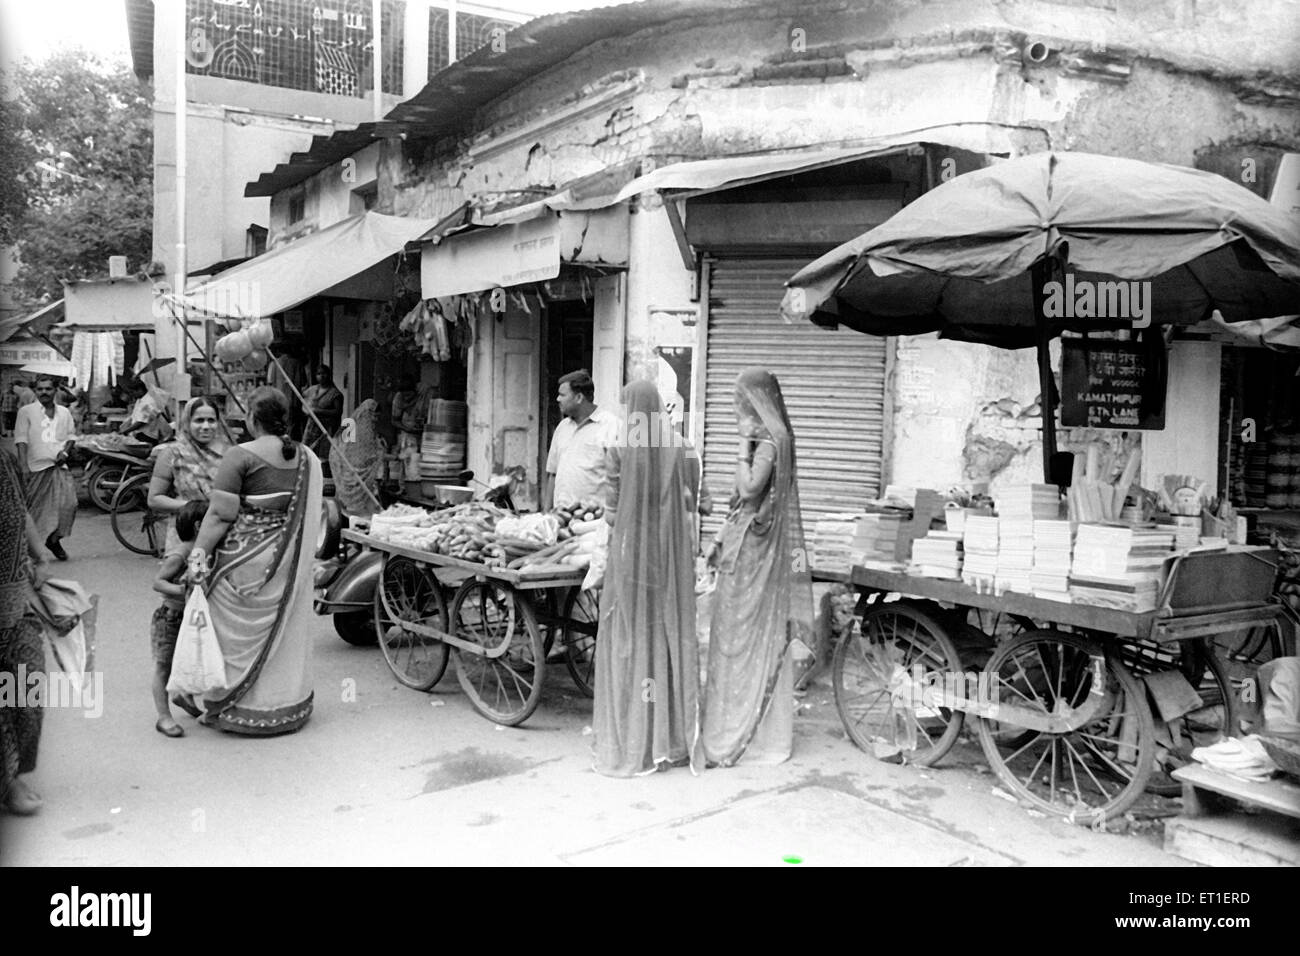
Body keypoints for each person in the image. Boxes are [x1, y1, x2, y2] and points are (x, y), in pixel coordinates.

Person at [184, 386, 320, 736]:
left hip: (244, 560)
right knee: (284, 628)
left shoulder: (239, 455)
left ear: (252, 419)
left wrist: (197, 554)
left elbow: (219, 515)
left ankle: (232, 705)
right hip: (289, 558)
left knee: (219, 620)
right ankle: (281, 706)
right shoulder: (308, 458)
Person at [701, 368, 814, 767]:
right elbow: (739, 503)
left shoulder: (768, 439)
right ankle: (737, 715)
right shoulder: (770, 437)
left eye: (741, 401)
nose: (737, 409)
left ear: (755, 401)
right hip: (742, 542)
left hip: (755, 550)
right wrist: (717, 539)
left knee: (744, 635)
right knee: (736, 633)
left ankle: (744, 725)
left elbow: (749, 489)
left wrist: (741, 445)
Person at [593, 381, 703, 777]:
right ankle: (670, 738)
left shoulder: (621, 448)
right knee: (666, 635)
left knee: (633, 638)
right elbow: (693, 501)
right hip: (671, 559)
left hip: (633, 560)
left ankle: (636, 736)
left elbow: (610, 513)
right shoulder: (681, 446)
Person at [0, 445, 52, 815]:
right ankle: (9, 779)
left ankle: (16, 770)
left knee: (27, 682)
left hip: (14, 592)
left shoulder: (3, 459)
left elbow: (20, 510)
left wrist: (40, 554)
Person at [150, 499, 208, 738]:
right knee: (164, 667)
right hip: (171, 618)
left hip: (190, 617)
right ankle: (163, 717)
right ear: (198, 526)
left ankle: (184, 696)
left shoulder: (200, 552)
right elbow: (158, 582)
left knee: (193, 661)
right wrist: (183, 591)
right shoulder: (181, 554)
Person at [147, 396, 231, 553]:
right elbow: (154, 499)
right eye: (199, 420)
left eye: (211, 420)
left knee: (220, 575)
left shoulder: (230, 454)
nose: (206, 426)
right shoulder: (173, 453)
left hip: (223, 534)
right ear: (187, 422)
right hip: (187, 536)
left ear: (218, 423)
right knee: (195, 572)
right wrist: (194, 508)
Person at [12, 376, 77, 561]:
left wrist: (65, 452)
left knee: (69, 505)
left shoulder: (64, 412)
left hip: (59, 467)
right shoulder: (26, 412)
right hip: (35, 467)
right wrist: (23, 465)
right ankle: (27, 551)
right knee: (36, 510)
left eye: (48, 389)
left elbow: (71, 436)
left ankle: (53, 539)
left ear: (55, 390)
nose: (44, 392)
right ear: (35, 391)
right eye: (40, 389)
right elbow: (21, 440)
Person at [543, 369, 614, 511]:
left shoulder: (611, 426)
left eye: (562, 395)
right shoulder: (562, 428)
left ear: (579, 398)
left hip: (593, 519)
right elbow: (553, 473)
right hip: (561, 516)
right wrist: (546, 511)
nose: (558, 399)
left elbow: (620, 477)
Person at [329, 397, 384, 519]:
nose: (376, 419)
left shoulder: (352, 423)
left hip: (351, 471)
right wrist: (381, 453)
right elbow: (364, 456)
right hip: (352, 471)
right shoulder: (361, 428)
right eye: (374, 416)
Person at [302, 365, 343, 458]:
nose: (321, 376)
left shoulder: (335, 394)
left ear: (329, 375)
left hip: (326, 428)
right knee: (307, 453)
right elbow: (304, 401)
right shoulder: (312, 390)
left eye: (324, 373)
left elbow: (338, 412)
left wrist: (319, 411)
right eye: (318, 374)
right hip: (311, 427)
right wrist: (306, 410)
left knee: (323, 455)